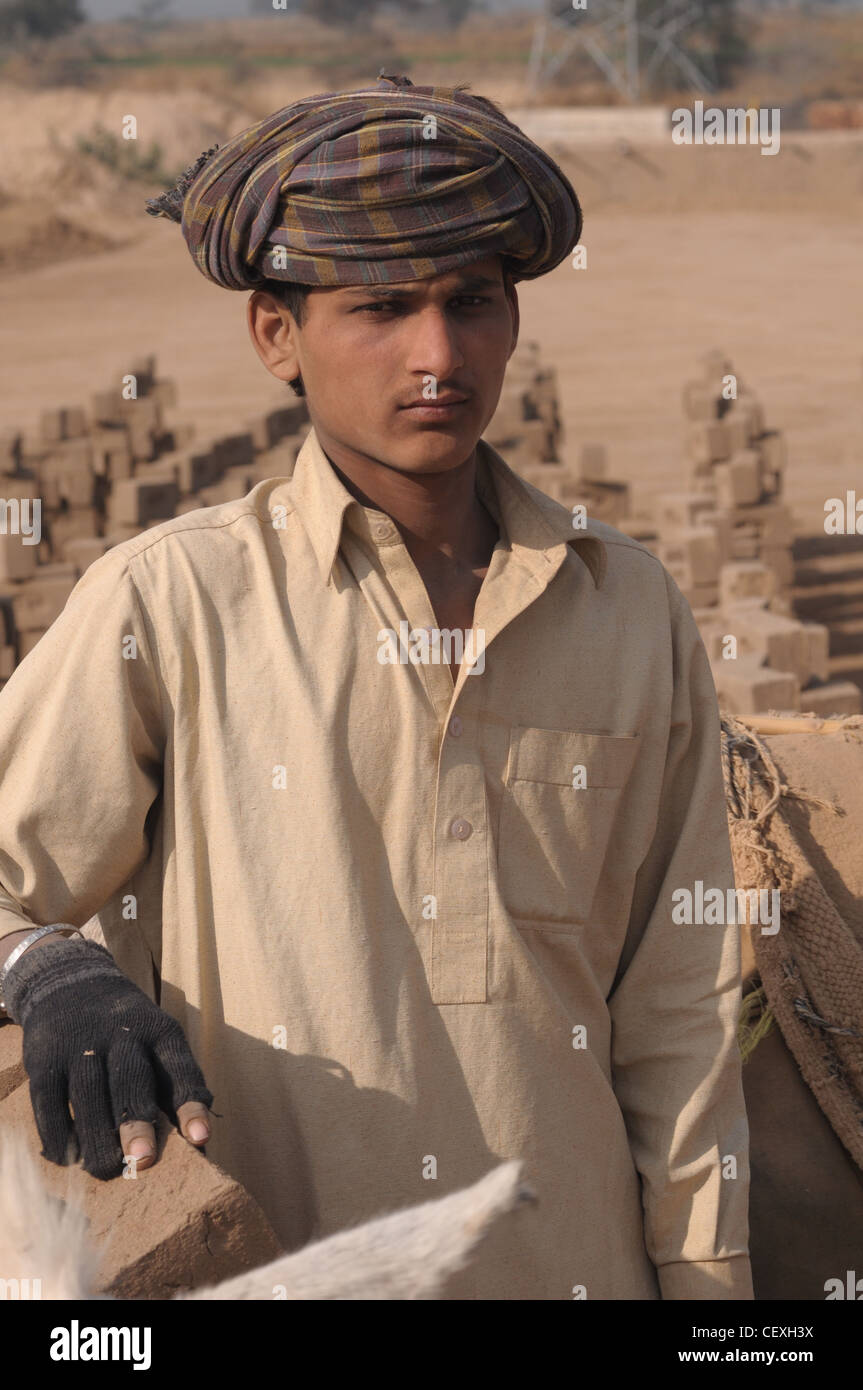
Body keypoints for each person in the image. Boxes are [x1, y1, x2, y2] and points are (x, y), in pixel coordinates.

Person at [0, 73, 753, 1300]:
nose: (437, 354)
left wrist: (707, 1286)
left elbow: (681, 1004)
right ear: (275, 335)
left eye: (473, 304)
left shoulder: (629, 611)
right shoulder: (171, 604)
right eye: (381, 308)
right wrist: (44, 965)